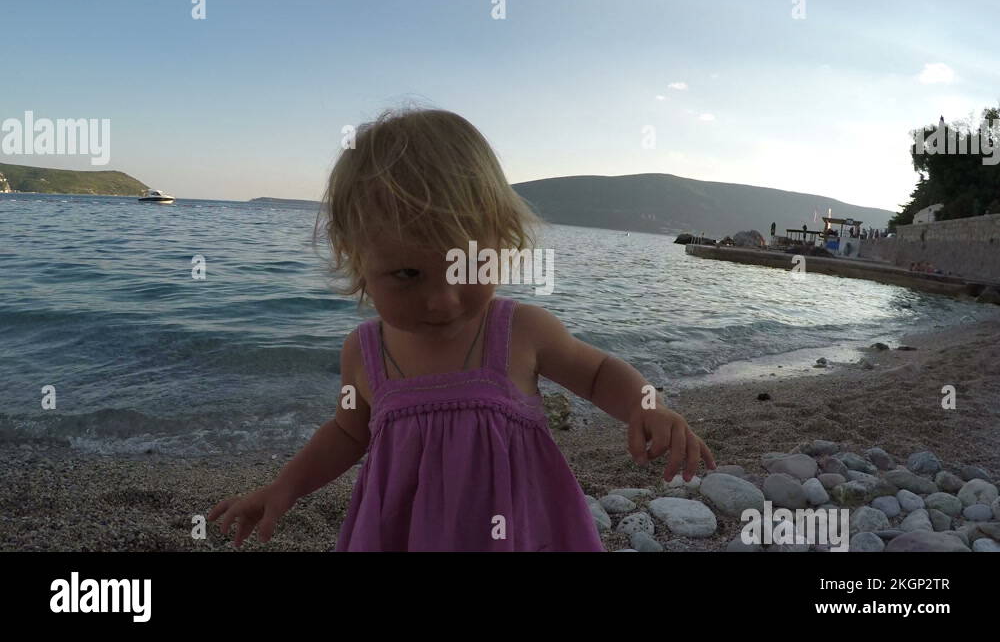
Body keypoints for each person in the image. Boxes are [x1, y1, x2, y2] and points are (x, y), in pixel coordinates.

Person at [207, 107, 716, 551]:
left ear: (501, 240)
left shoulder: (520, 331)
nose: (443, 299)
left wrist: (647, 407)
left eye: (466, 266)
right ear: (357, 261)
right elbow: (347, 431)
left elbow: (598, 372)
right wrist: (284, 488)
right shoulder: (363, 352)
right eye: (407, 274)